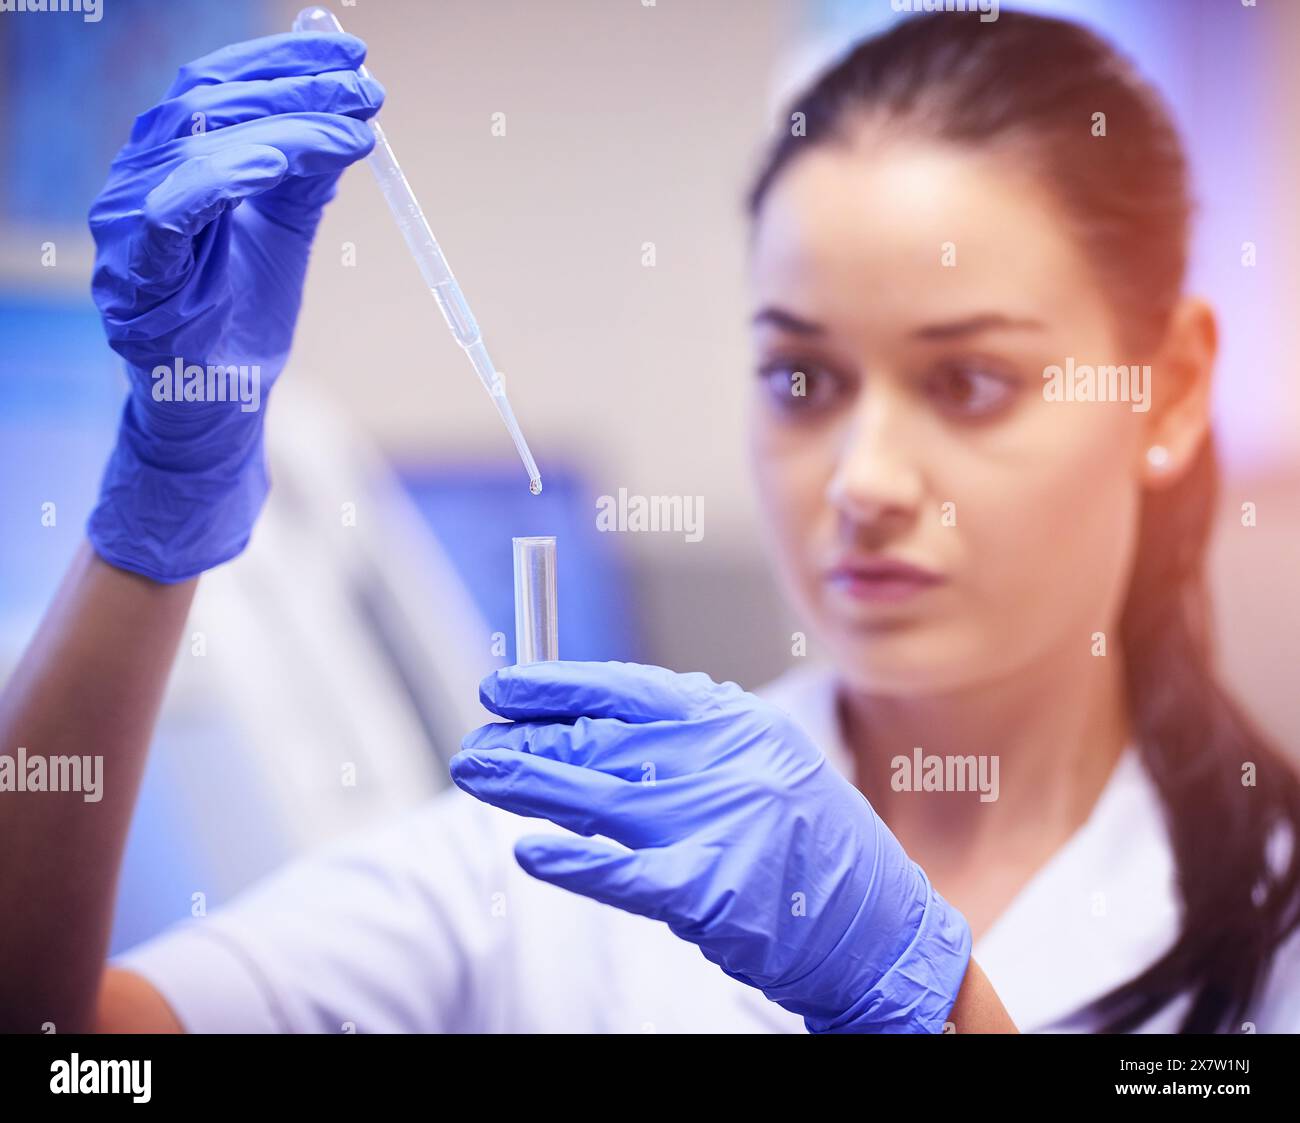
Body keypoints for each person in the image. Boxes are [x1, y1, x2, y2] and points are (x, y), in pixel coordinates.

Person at [1, 10, 1296, 1034]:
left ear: (1170, 389)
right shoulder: (569, 850)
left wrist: (931, 1006)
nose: (864, 477)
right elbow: (62, 1047)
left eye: (968, 381)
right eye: (802, 379)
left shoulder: (1273, 924)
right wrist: (159, 505)